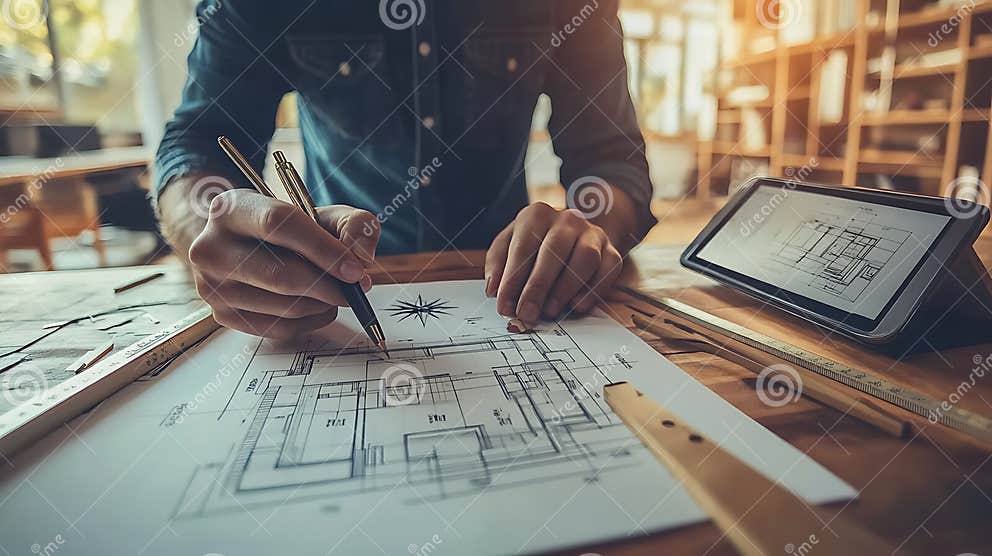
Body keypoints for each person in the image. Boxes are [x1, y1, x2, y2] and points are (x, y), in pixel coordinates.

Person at [155, 0, 655, 338]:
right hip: (334, 290)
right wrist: (214, 225)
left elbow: (611, 156)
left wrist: (593, 226)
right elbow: (200, 142)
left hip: (511, 285)